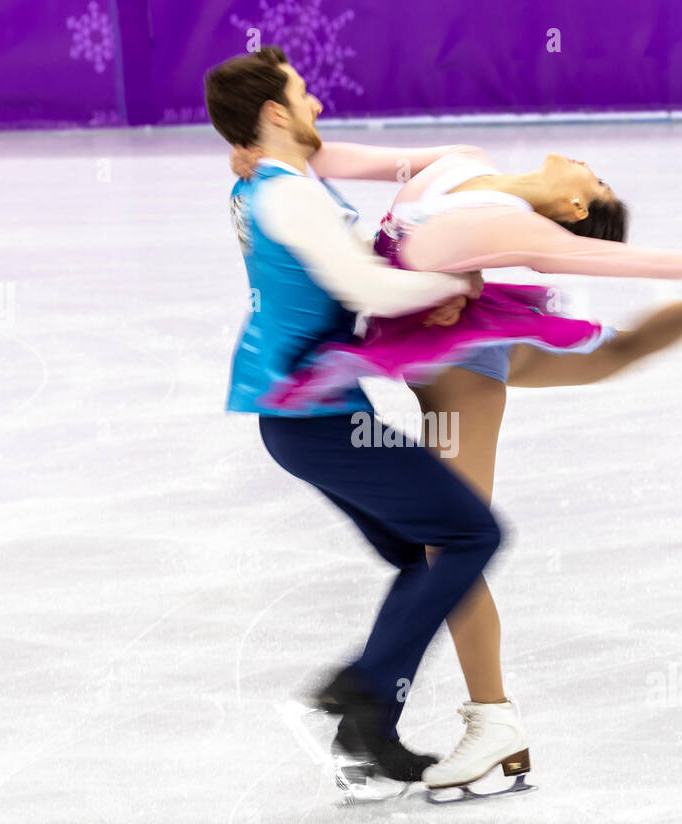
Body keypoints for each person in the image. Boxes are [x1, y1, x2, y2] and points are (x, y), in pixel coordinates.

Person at [230, 139, 682, 794]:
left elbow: (628, 260)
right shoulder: (462, 160)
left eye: (598, 176)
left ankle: (492, 725)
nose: (588, 160)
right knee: (607, 358)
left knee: (452, 543)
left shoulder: (512, 225)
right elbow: (326, 158)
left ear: (578, 203)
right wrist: (255, 150)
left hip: (458, 363)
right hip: (478, 326)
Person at [204, 47, 508, 784]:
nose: (315, 103)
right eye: (302, 94)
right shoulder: (286, 193)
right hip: (316, 417)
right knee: (471, 532)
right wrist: (451, 280)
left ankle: (366, 733)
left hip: (305, 417)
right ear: (275, 113)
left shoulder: (265, 185)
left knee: (417, 555)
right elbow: (357, 285)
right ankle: (363, 689)